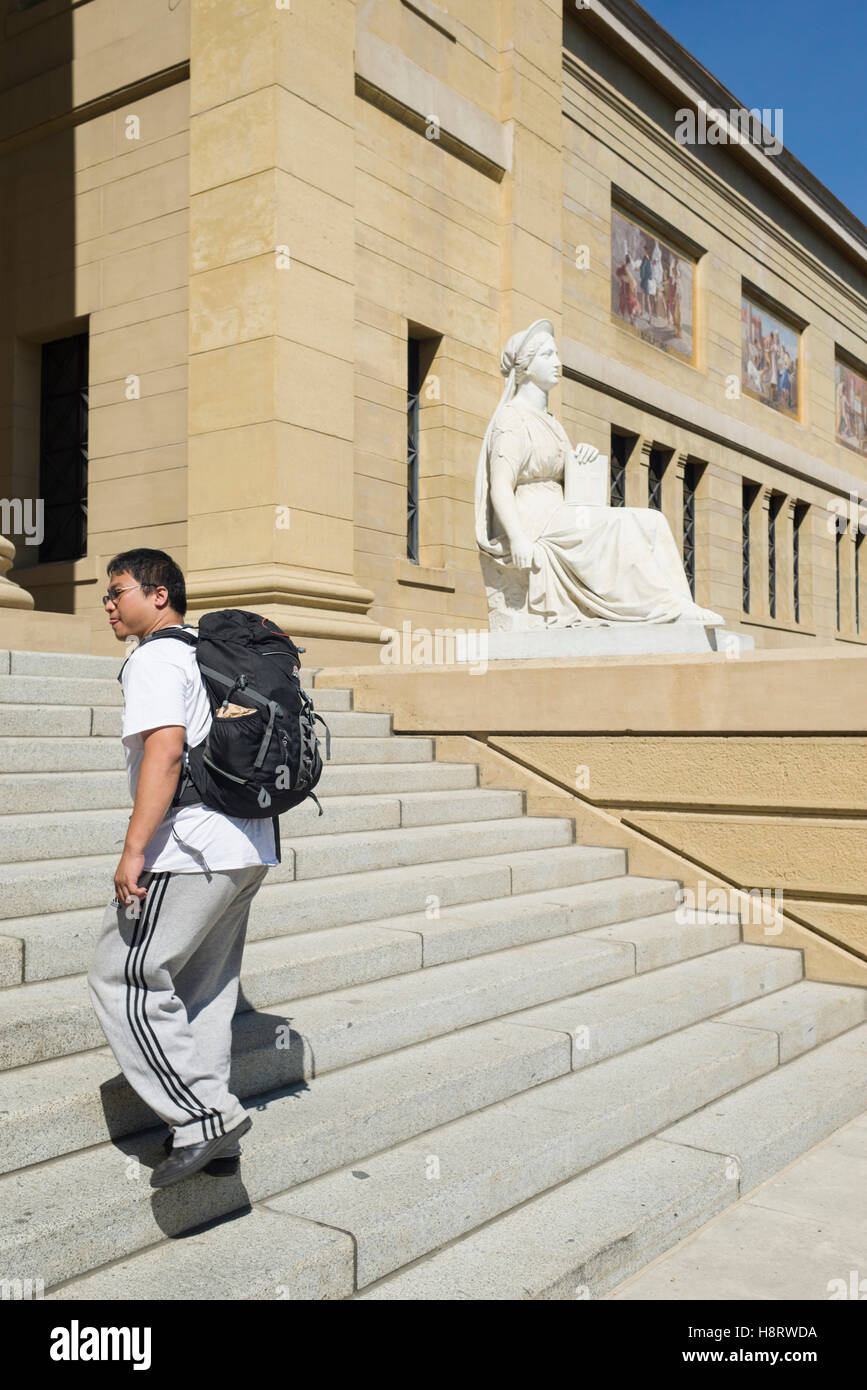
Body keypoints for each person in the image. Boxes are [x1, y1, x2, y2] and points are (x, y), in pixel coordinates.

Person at [87, 549, 278, 1187]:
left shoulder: (156, 657)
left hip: (192, 846)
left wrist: (134, 848)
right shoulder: (205, 653)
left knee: (126, 975)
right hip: (248, 845)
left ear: (159, 594)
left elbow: (165, 754)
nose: (108, 606)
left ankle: (204, 1120)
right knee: (203, 991)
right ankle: (211, 1141)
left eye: (118, 593)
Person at [474, 320, 724, 627]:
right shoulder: (511, 420)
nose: (558, 363)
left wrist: (580, 460)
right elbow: (500, 487)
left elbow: (566, 474)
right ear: (525, 366)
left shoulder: (551, 422)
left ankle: (679, 605)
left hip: (563, 512)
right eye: (548, 355)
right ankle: (660, 608)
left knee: (653, 522)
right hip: (537, 520)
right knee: (617, 527)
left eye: (557, 354)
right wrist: (518, 539)